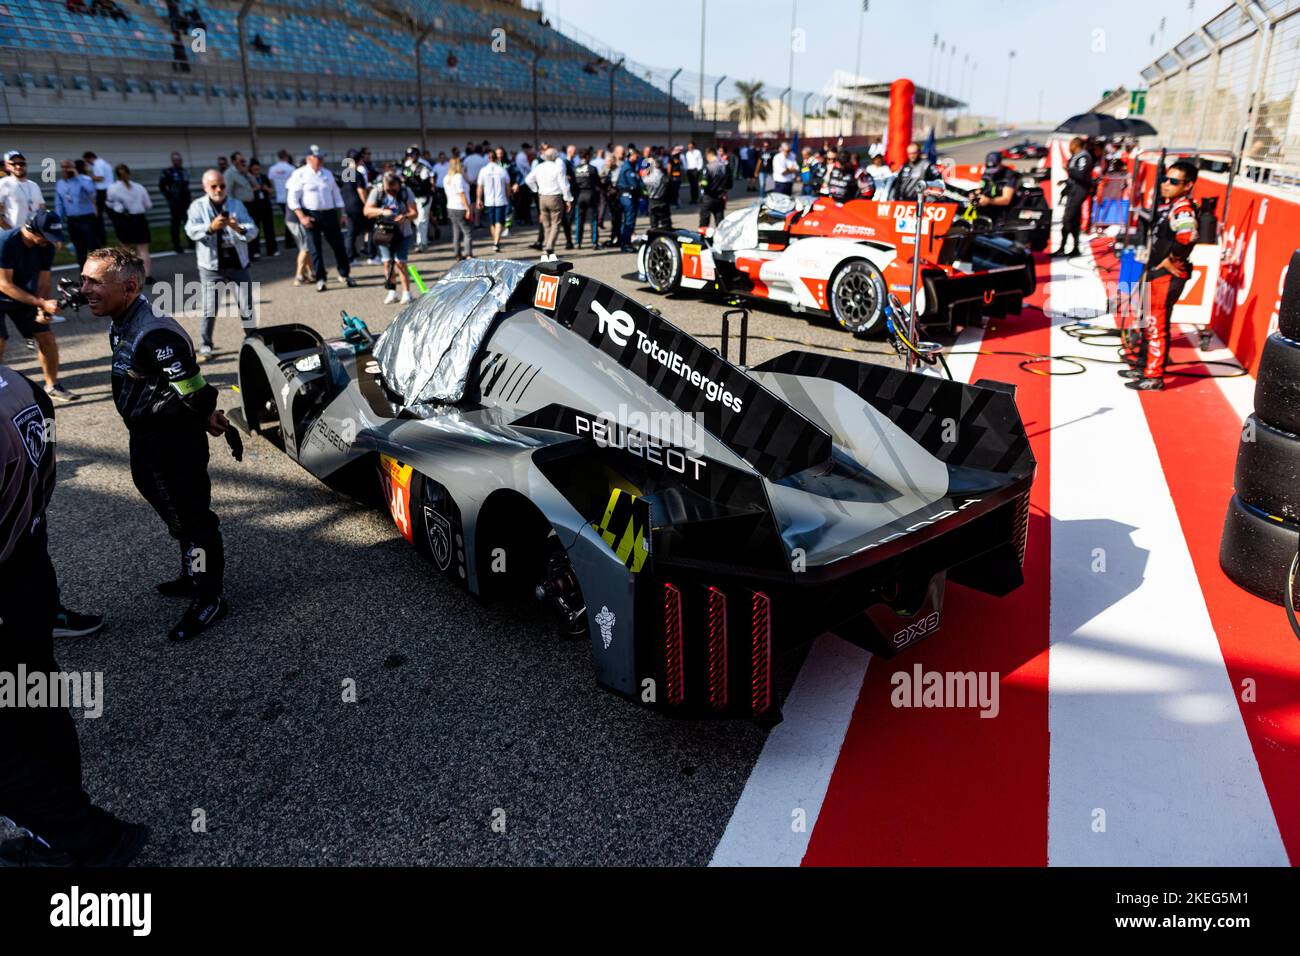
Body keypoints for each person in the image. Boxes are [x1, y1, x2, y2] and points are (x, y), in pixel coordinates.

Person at [0, 363, 139, 868]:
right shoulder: (19, 384)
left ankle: (86, 838)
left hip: (11, 583)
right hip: (29, 574)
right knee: (35, 699)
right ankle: (61, 826)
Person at [81, 246, 230, 641]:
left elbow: (195, 390)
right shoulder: (123, 319)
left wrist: (205, 414)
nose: (85, 289)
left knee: (195, 520)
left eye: (95, 282)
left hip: (173, 444)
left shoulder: (155, 332)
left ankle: (209, 596)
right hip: (146, 439)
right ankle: (191, 571)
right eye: (83, 280)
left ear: (129, 286)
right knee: (175, 514)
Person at [1123, 160, 1198, 392]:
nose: (1166, 184)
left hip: (1166, 276)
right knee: (1147, 321)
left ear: (1187, 186)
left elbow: (1188, 235)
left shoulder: (1182, 207)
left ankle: (1153, 376)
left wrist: (1172, 257)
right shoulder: (1169, 204)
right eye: (1165, 179)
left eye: (1174, 181)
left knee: (1156, 324)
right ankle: (1143, 365)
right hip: (1155, 271)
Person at [0, 211, 76, 402]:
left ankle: (52, 386)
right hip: (3, 290)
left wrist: (44, 309)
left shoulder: (46, 246)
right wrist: (40, 302)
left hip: (23, 295)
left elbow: (44, 281)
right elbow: (4, 284)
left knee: (47, 337)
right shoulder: (5, 242)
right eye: (46, 236)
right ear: (31, 229)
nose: (50, 241)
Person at [185, 169, 257, 359]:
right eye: (214, 186)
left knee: (246, 304)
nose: (218, 189)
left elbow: (252, 229)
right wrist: (210, 228)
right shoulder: (197, 207)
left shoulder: (236, 204)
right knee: (210, 307)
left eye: (222, 185)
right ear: (205, 187)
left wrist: (237, 227)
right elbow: (190, 230)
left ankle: (252, 339)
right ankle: (205, 344)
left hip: (237, 262)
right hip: (211, 266)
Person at [286, 145, 355, 292]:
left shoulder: (327, 173)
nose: (321, 160)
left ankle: (345, 274)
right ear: (309, 159)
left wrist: (342, 213)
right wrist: (302, 217)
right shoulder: (300, 174)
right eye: (318, 158)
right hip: (311, 215)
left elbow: (336, 194)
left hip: (329, 214)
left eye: (322, 158)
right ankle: (321, 278)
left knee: (339, 246)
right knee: (315, 249)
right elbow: (293, 199)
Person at [364, 170, 417, 305]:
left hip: (402, 232)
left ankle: (407, 293)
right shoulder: (378, 191)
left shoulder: (406, 191)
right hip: (384, 233)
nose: (392, 191)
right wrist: (382, 211)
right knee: (387, 263)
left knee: (401, 263)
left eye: (394, 188)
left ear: (399, 184)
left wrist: (404, 217)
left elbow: (414, 213)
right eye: (389, 188)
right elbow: (367, 211)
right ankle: (392, 291)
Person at [105, 163, 153, 282]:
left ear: (116, 175)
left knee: (126, 250)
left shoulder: (112, 188)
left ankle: (130, 276)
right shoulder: (139, 187)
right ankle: (147, 275)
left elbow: (109, 204)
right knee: (143, 250)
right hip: (139, 218)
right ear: (129, 173)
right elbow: (148, 205)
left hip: (123, 220)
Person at [525, 147, 573, 263]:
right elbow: (564, 185)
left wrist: (535, 189)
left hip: (542, 197)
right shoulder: (557, 168)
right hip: (555, 197)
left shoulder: (539, 167)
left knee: (546, 224)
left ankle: (546, 245)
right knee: (556, 223)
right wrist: (568, 199)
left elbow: (528, 179)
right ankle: (549, 247)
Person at [55, 159, 102, 268]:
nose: (65, 169)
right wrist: (58, 221)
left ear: (74, 167)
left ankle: (101, 272)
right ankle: (83, 275)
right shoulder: (60, 184)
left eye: (68, 166)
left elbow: (92, 191)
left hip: (87, 219)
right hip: (72, 220)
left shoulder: (84, 179)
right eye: (63, 167)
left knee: (93, 247)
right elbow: (59, 203)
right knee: (79, 249)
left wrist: (77, 176)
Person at [1057, 137, 1095, 257]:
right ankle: (1074, 248)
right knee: (1073, 220)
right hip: (1074, 189)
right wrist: (1065, 181)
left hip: (1079, 191)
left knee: (1068, 219)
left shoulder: (1084, 157)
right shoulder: (1077, 156)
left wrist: (1068, 169)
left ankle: (1064, 247)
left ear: (1076, 145)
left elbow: (1081, 175)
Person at [476, 150, 511, 254]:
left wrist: (478, 199)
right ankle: (496, 242)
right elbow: (508, 185)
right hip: (501, 199)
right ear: (496, 158)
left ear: (488, 158)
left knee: (492, 222)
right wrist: (508, 196)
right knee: (499, 221)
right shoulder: (502, 170)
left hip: (489, 200)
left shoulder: (483, 170)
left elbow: (479, 186)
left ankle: (495, 241)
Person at [401, 146, 435, 252]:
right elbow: (404, 180)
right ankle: (420, 241)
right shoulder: (408, 168)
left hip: (423, 197)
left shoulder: (423, 168)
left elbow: (424, 186)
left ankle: (423, 243)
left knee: (422, 221)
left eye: (413, 155)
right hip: (413, 198)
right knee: (416, 221)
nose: (411, 157)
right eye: (409, 155)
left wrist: (409, 182)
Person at [0, 151, 45, 231]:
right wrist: (11, 231)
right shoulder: (3, 184)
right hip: (13, 234)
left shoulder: (34, 185)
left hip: (33, 234)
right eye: (13, 164)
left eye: (21, 163)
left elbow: (41, 208)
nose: (18, 166)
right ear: (7, 166)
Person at [158, 151, 193, 254]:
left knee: (188, 222)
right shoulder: (168, 172)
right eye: (175, 160)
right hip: (175, 202)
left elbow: (186, 185)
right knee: (176, 224)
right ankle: (177, 245)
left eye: (179, 159)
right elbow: (161, 186)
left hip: (186, 201)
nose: (178, 161)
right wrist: (170, 197)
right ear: (172, 161)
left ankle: (191, 243)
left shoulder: (185, 171)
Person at [244, 158, 277, 258]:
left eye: (258, 169)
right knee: (255, 229)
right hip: (254, 206)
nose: (257, 171)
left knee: (269, 228)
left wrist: (265, 188)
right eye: (255, 169)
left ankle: (272, 249)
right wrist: (256, 188)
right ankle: (255, 251)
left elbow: (271, 191)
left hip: (266, 205)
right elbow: (246, 191)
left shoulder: (264, 177)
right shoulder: (248, 178)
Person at [443, 156, 474, 261]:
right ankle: (468, 253)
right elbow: (462, 193)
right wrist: (468, 208)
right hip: (460, 207)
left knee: (456, 231)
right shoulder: (458, 177)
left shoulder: (447, 177)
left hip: (451, 206)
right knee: (467, 232)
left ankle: (457, 254)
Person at [975, 151, 1018, 223]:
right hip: (988, 211)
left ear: (1000, 163)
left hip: (1004, 213)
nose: (992, 172)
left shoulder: (1010, 175)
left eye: (994, 168)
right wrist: (975, 196)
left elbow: (1006, 200)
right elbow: (980, 188)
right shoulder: (987, 173)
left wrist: (988, 201)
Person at [571, 148, 600, 249]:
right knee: (593, 219)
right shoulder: (592, 168)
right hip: (590, 194)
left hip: (579, 195)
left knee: (579, 220)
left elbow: (573, 184)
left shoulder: (575, 168)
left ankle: (578, 242)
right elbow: (598, 182)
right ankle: (594, 242)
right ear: (587, 156)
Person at [267, 149, 296, 248]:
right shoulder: (291, 168)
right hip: (289, 197)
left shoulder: (272, 169)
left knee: (287, 218)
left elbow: (271, 182)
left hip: (279, 197)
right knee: (290, 219)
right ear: (286, 156)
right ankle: (289, 241)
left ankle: (289, 240)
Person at [698, 147, 731, 229]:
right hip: (720, 198)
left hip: (708, 198)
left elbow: (704, 184)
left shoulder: (708, 167)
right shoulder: (725, 166)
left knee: (704, 223)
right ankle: (721, 240)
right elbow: (730, 184)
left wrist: (700, 183)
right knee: (720, 223)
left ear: (709, 155)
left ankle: (703, 240)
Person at [615, 146, 640, 252]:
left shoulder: (629, 165)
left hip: (626, 196)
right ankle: (626, 244)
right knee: (629, 221)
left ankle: (623, 241)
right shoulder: (628, 167)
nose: (637, 157)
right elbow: (634, 183)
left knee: (626, 220)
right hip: (628, 197)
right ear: (630, 156)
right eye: (635, 155)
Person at [82, 150, 112, 225]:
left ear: (90, 158)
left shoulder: (97, 164)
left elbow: (100, 178)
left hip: (102, 190)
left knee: (98, 212)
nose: (88, 163)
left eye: (87, 161)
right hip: (109, 189)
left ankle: (98, 228)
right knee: (110, 210)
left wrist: (88, 177)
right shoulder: (104, 163)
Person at [643, 157, 672, 230]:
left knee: (653, 224)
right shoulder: (665, 177)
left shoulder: (647, 178)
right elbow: (670, 189)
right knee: (666, 224)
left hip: (652, 202)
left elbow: (643, 183)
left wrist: (648, 167)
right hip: (663, 202)